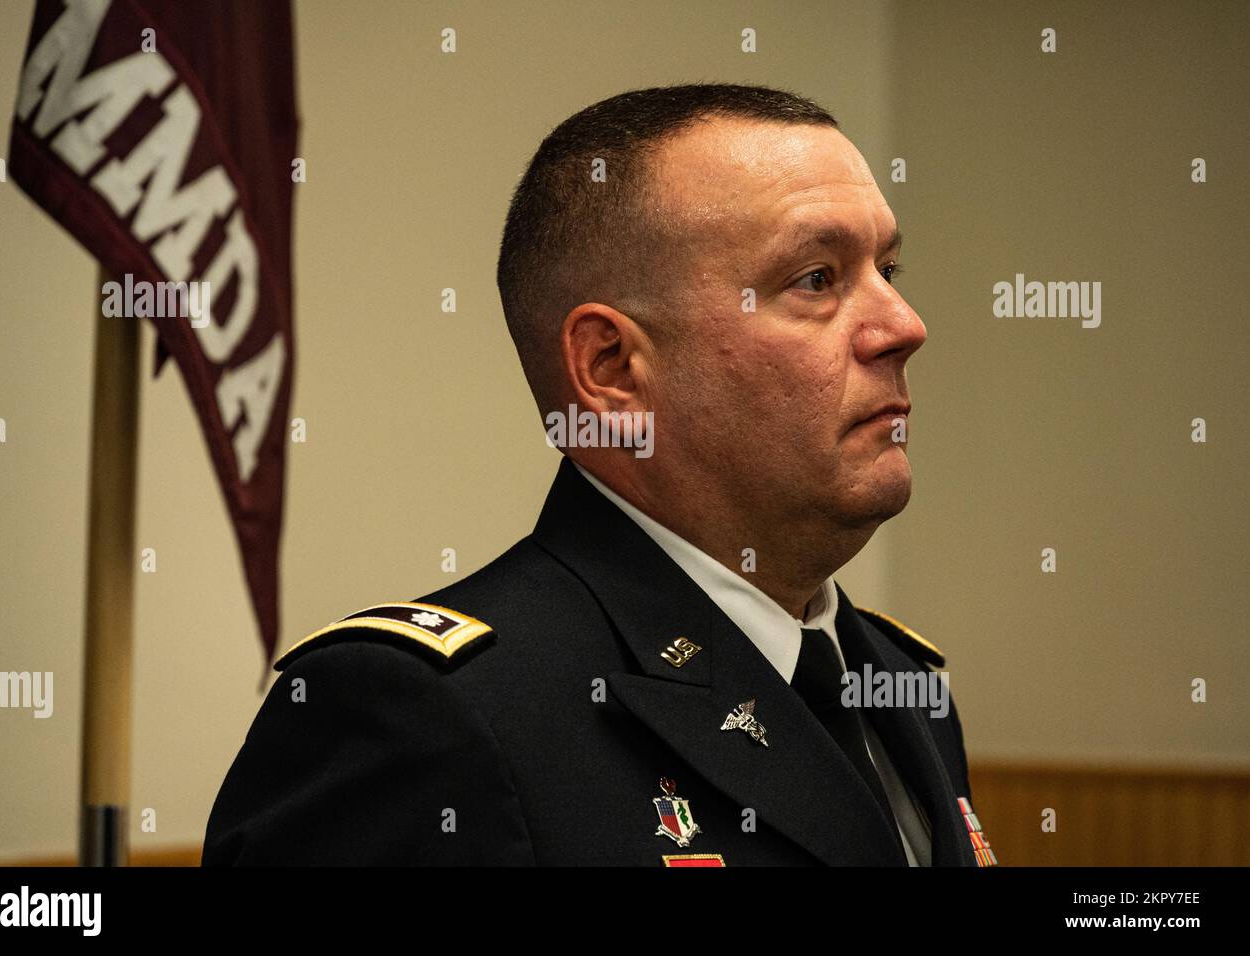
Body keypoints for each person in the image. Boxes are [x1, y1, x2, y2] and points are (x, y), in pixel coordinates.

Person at [202, 82, 996, 867]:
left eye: (888, 269)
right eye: (816, 279)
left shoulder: (896, 681)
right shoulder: (429, 719)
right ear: (611, 367)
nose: (904, 326)